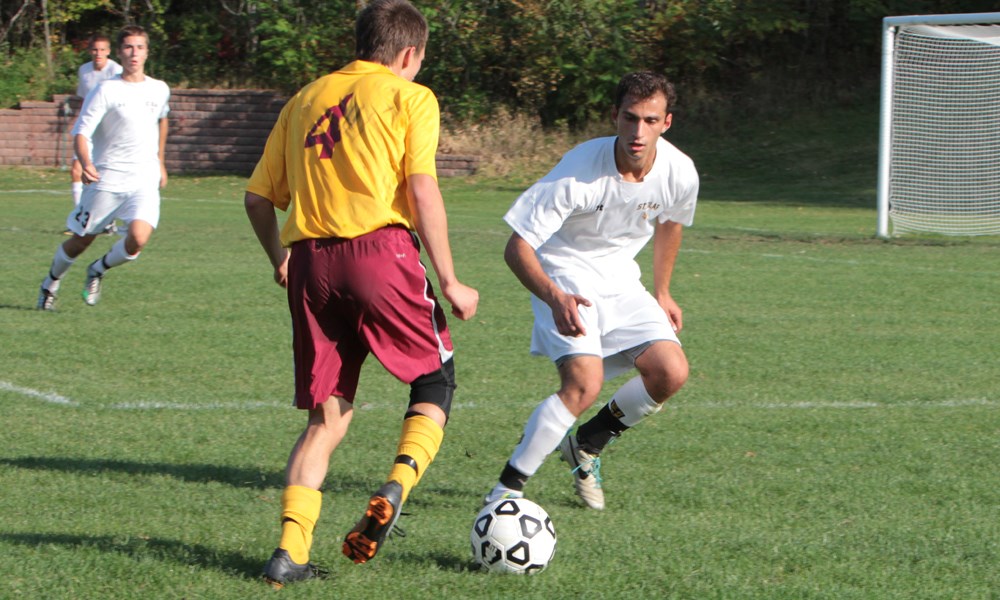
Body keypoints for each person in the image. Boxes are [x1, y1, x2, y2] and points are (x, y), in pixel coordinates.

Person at [243, 0, 479, 587]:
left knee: (327, 416)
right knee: (435, 379)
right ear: (407, 54)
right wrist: (449, 278)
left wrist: (280, 261)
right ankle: (396, 486)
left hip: (310, 267)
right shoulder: (409, 97)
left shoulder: (304, 99)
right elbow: (421, 190)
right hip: (379, 254)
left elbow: (256, 199)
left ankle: (288, 554)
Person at [483, 71, 699, 511]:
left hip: (621, 279)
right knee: (584, 384)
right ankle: (505, 492)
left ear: (667, 122)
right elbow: (517, 247)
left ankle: (587, 444)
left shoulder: (680, 171)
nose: (638, 132)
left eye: (650, 120)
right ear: (614, 116)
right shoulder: (579, 170)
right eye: (630, 118)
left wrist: (663, 291)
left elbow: (671, 223)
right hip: (564, 275)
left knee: (670, 371)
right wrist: (552, 295)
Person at [36, 25, 170, 311]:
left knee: (138, 238)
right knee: (80, 241)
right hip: (107, 178)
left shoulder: (159, 89)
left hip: (143, 178)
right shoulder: (106, 89)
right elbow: (81, 132)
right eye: (129, 47)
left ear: (147, 52)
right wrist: (86, 163)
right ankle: (50, 283)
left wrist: (160, 161)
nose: (134, 53)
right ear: (120, 52)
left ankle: (98, 269)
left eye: (140, 47)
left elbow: (162, 120)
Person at [69, 34, 123, 216]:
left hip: (108, 129)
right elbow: (84, 100)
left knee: (105, 172)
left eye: (102, 50)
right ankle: (80, 213)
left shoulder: (116, 70)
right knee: (77, 169)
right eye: (94, 49)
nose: (98, 53)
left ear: (108, 51)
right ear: (89, 51)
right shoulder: (84, 70)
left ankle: (109, 218)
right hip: (88, 128)